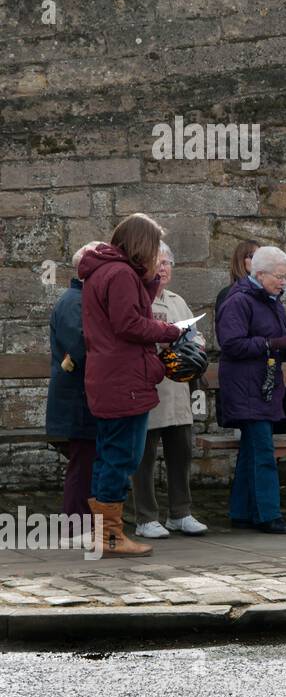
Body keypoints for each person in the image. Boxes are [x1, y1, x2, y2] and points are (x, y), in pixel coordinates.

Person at [78, 215, 185, 558]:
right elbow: (129, 324)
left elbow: (124, 313)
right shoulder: (121, 273)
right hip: (124, 380)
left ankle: (102, 534)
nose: (157, 254)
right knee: (123, 456)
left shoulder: (106, 270)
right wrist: (170, 331)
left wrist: (149, 282)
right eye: (154, 247)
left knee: (109, 455)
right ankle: (110, 536)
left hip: (109, 377)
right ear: (143, 244)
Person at [215, 246, 286, 534]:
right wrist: (273, 344)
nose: (283, 282)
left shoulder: (270, 299)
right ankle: (268, 514)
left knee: (252, 451)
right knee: (263, 451)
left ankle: (241, 512)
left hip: (263, 386)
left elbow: (271, 337)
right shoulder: (238, 300)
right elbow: (231, 344)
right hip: (247, 388)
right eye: (279, 276)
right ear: (259, 273)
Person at [130, 242, 208, 539]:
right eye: (157, 263)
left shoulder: (177, 300)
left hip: (178, 390)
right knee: (144, 456)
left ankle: (181, 512)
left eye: (167, 263)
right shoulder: (141, 299)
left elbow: (196, 332)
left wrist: (196, 344)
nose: (163, 268)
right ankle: (145, 517)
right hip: (150, 388)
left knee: (181, 454)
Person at [46, 242, 103, 549]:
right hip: (75, 401)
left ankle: (86, 523)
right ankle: (74, 527)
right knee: (82, 462)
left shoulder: (84, 299)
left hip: (82, 398)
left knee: (88, 460)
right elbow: (80, 346)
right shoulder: (74, 302)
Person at [214, 239, 259, 332]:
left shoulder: (265, 292)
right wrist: (269, 342)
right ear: (241, 261)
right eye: (253, 256)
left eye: (261, 257)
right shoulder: (228, 294)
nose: (258, 261)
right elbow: (230, 336)